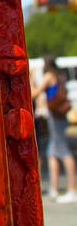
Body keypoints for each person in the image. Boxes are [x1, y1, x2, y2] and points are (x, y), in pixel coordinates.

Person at [39, 56, 77, 202]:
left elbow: (36, 92)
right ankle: (54, 188)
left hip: (55, 116)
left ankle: (72, 189)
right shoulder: (60, 74)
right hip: (59, 116)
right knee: (52, 152)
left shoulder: (49, 76)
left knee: (63, 151)